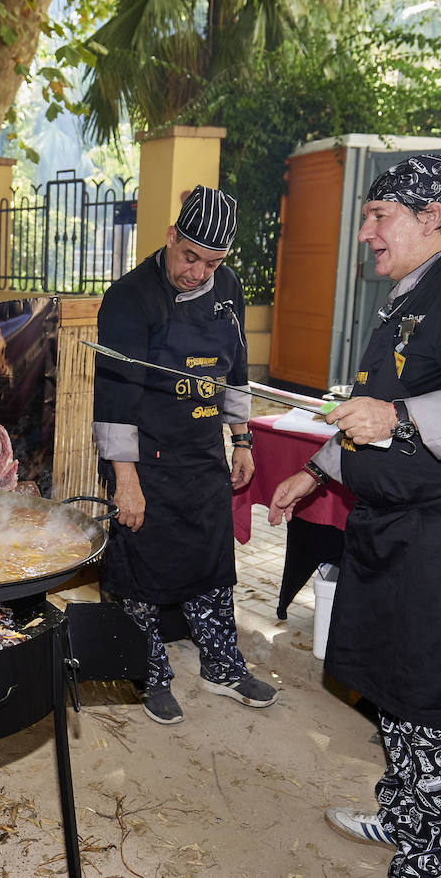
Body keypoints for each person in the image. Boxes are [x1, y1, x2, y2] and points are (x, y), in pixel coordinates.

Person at [266, 154, 441, 878]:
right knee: (397, 692)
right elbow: (373, 415)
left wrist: (398, 414)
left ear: (430, 218)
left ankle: (430, 857)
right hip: (395, 533)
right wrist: (313, 467)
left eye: (378, 216)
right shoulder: (410, 296)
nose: (365, 233)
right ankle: (401, 815)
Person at [91, 184, 277, 726]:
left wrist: (241, 438)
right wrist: (125, 480)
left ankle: (221, 665)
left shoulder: (228, 289)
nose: (197, 272)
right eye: (189, 256)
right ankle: (148, 672)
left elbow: (236, 370)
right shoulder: (131, 297)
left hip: (201, 450)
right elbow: (115, 398)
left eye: (212, 262)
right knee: (142, 565)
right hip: (143, 456)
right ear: (171, 236)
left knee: (213, 560)